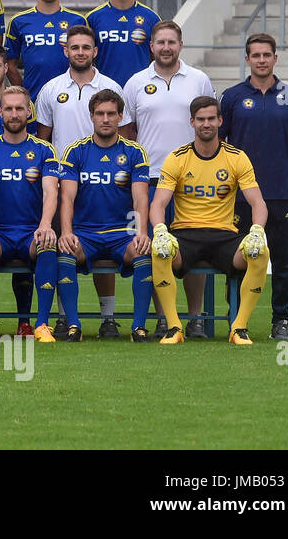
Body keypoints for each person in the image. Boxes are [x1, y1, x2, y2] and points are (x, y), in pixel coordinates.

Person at [35, 24, 133, 335]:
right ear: (65, 50)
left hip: (107, 181)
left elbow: (127, 136)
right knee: (66, 243)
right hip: (65, 182)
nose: (80, 52)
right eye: (74, 47)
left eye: (85, 47)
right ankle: (65, 317)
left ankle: (107, 318)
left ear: (95, 51)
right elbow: (44, 139)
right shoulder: (50, 89)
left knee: (107, 238)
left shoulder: (112, 87)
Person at [149, 96, 270, 345]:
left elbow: (258, 203)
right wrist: (160, 230)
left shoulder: (237, 157)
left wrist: (257, 230)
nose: (207, 124)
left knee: (260, 252)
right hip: (185, 234)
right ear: (192, 122)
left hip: (224, 235)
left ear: (220, 120)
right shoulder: (177, 158)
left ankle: (239, 328)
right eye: (201, 119)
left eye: (211, 118)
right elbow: (158, 204)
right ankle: (174, 327)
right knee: (159, 251)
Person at [121, 20, 215, 338]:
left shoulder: (199, 80)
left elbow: (209, 123)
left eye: (171, 42)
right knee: (157, 250)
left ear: (180, 45)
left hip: (192, 180)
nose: (165, 48)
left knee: (194, 247)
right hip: (149, 180)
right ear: (151, 46)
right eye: (160, 42)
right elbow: (126, 131)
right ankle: (164, 317)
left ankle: (197, 317)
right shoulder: (135, 82)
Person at [219, 32, 288, 340]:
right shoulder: (232, 96)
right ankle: (236, 318)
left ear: (276, 58)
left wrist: (283, 167)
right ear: (247, 59)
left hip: (279, 194)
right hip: (240, 197)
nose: (261, 60)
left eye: (266, 55)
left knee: (282, 261)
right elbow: (220, 142)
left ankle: (280, 320)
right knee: (236, 260)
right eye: (255, 55)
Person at [56, 89, 154, 342]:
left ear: (121, 116)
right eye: (100, 113)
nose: (106, 119)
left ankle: (139, 327)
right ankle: (73, 326)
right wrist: (66, 232)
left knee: (143, 251)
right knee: (65, 250)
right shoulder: (75, 152)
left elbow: (140, 197)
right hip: (85, 234)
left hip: (123, 234)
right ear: (92, 116)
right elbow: (66, 197)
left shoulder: (135, 153)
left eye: (111, 113)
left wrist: (142, 232)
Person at [0, 86, 61, 340]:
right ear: (0, 112)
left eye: (19, 108)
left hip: (32, 232)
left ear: (29, 111)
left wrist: (45, 225)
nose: (14, 114)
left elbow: (51, 191)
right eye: (8, 108)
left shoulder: (44, 150)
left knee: (47, 243)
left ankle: (41, 325)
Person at [4, 0, 88, 101]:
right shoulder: (18, 21)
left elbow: (88, 61)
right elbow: (9, 64)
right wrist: (24, 93)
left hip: (72, 100)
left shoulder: (78, 20)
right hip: (34, 99)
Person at [87, 0, 160, 89]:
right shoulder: (92, 18)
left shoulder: (152, 18)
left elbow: (158, 60)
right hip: (104, 94)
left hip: (142, 92)